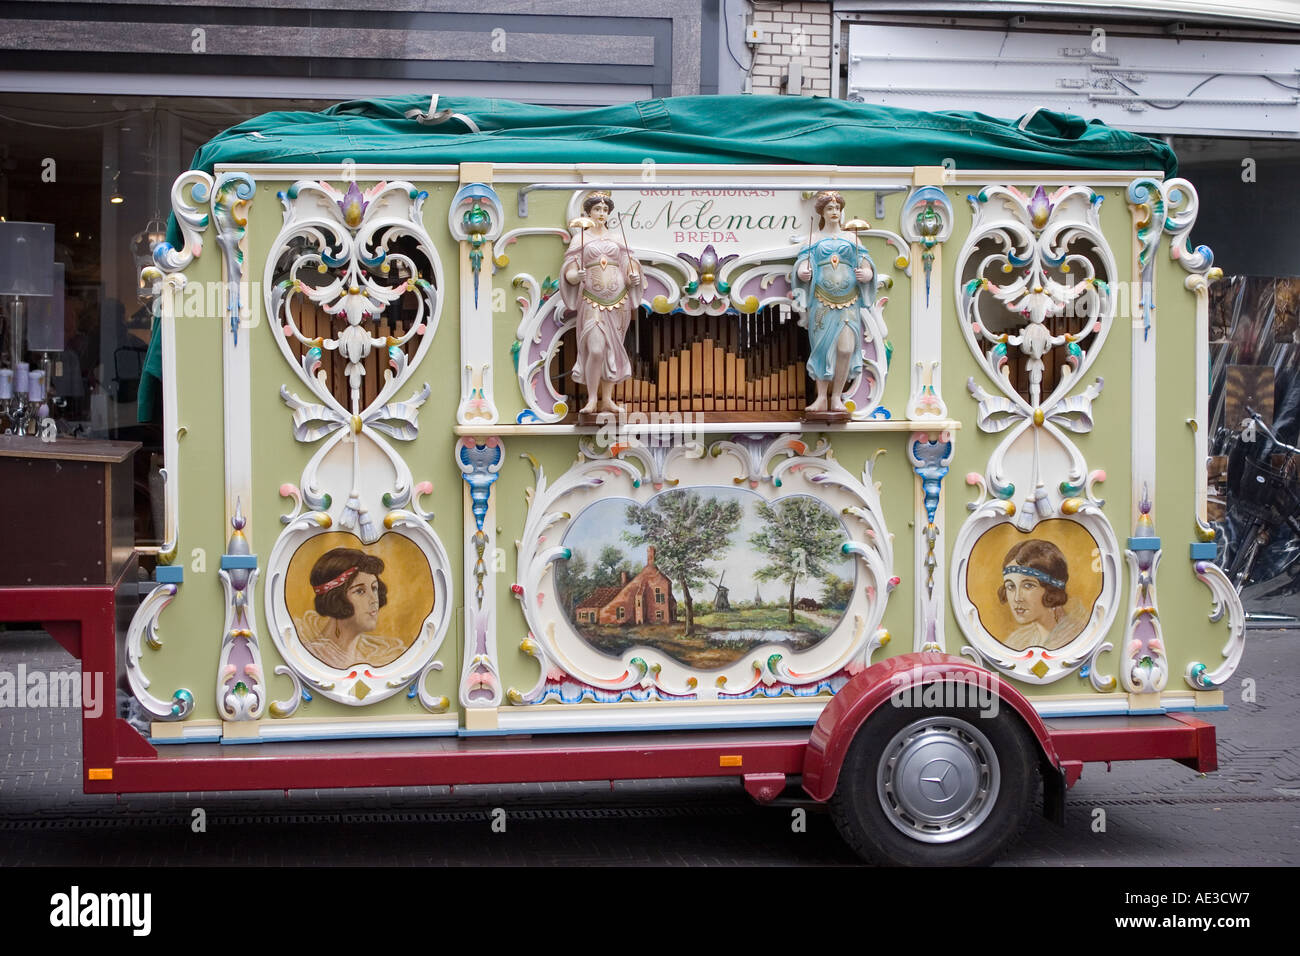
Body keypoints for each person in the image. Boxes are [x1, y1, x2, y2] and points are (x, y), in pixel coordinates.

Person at [561, 192, 643, 415]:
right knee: (596, 349)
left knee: (612, 350)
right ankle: (591, 399)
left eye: (605, 210)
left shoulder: (616, 238)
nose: (601, 214)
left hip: (618, 301)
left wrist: (633, 275)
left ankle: (607, 399)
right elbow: (570, 268)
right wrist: (574, 276)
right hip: (591, 300)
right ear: (588, 212)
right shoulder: (580, 238)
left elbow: (629, 263)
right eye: (597, 209)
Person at [792, 191, 874, 413]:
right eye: (830, 208)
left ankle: (836, 397)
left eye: (837, 208)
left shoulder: (852, 238)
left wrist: (866, 273)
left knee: (846, 349)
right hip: (822, 301)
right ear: (822, 212)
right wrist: (802, 272)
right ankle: (821, 397)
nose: (834, 212)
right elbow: (803, 262)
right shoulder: (814, 239)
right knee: (822, 349)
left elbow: (865, 261)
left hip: (849, 301)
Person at [297, 548, 407, 669]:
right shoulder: (311, 657)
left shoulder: (369, 657)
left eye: (374, 588)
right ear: (336, 599)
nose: (374, 599)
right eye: (360, 591)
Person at [997, 539, 1087, 651]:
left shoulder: (1080, 636)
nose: (1017, 598)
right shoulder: (1017, 641)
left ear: (1051, 590)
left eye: (1028, 585)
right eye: (1011, 586)